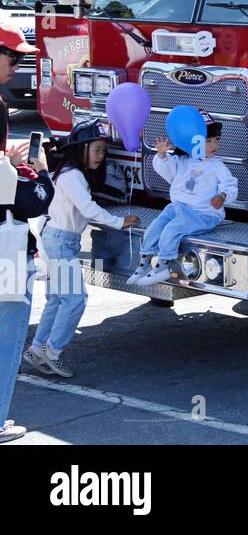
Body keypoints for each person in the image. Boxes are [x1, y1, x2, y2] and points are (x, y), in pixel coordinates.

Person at [22, 122, 138, 380]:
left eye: (103, 151)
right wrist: (120, 221)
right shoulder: (72, 175)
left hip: (57, 239)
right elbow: (88, 208)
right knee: (75, 299)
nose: (101, 156)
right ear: (81, 149)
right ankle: (51, 353)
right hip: (61, 241)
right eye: (97, 150)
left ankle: (38, 348)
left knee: (57, 298)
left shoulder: (67, 171)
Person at [128, 112, 238, 287]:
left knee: (172, 230)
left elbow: (230, 185)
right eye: (208, 141)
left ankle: (164, 266)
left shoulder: (217, 165)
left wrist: (222, 196)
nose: (214, 145)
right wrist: (162, 156)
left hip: (204, 214)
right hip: (179, 208)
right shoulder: (182, 161)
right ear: (192, 142)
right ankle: (144, 263)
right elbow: (167, 170)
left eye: (216, 140)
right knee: (156, 226)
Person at [0, 25, 46, 442]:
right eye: (12, 57)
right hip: (6, 242)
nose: (19, 64)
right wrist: (24, 170)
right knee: (10, 330)